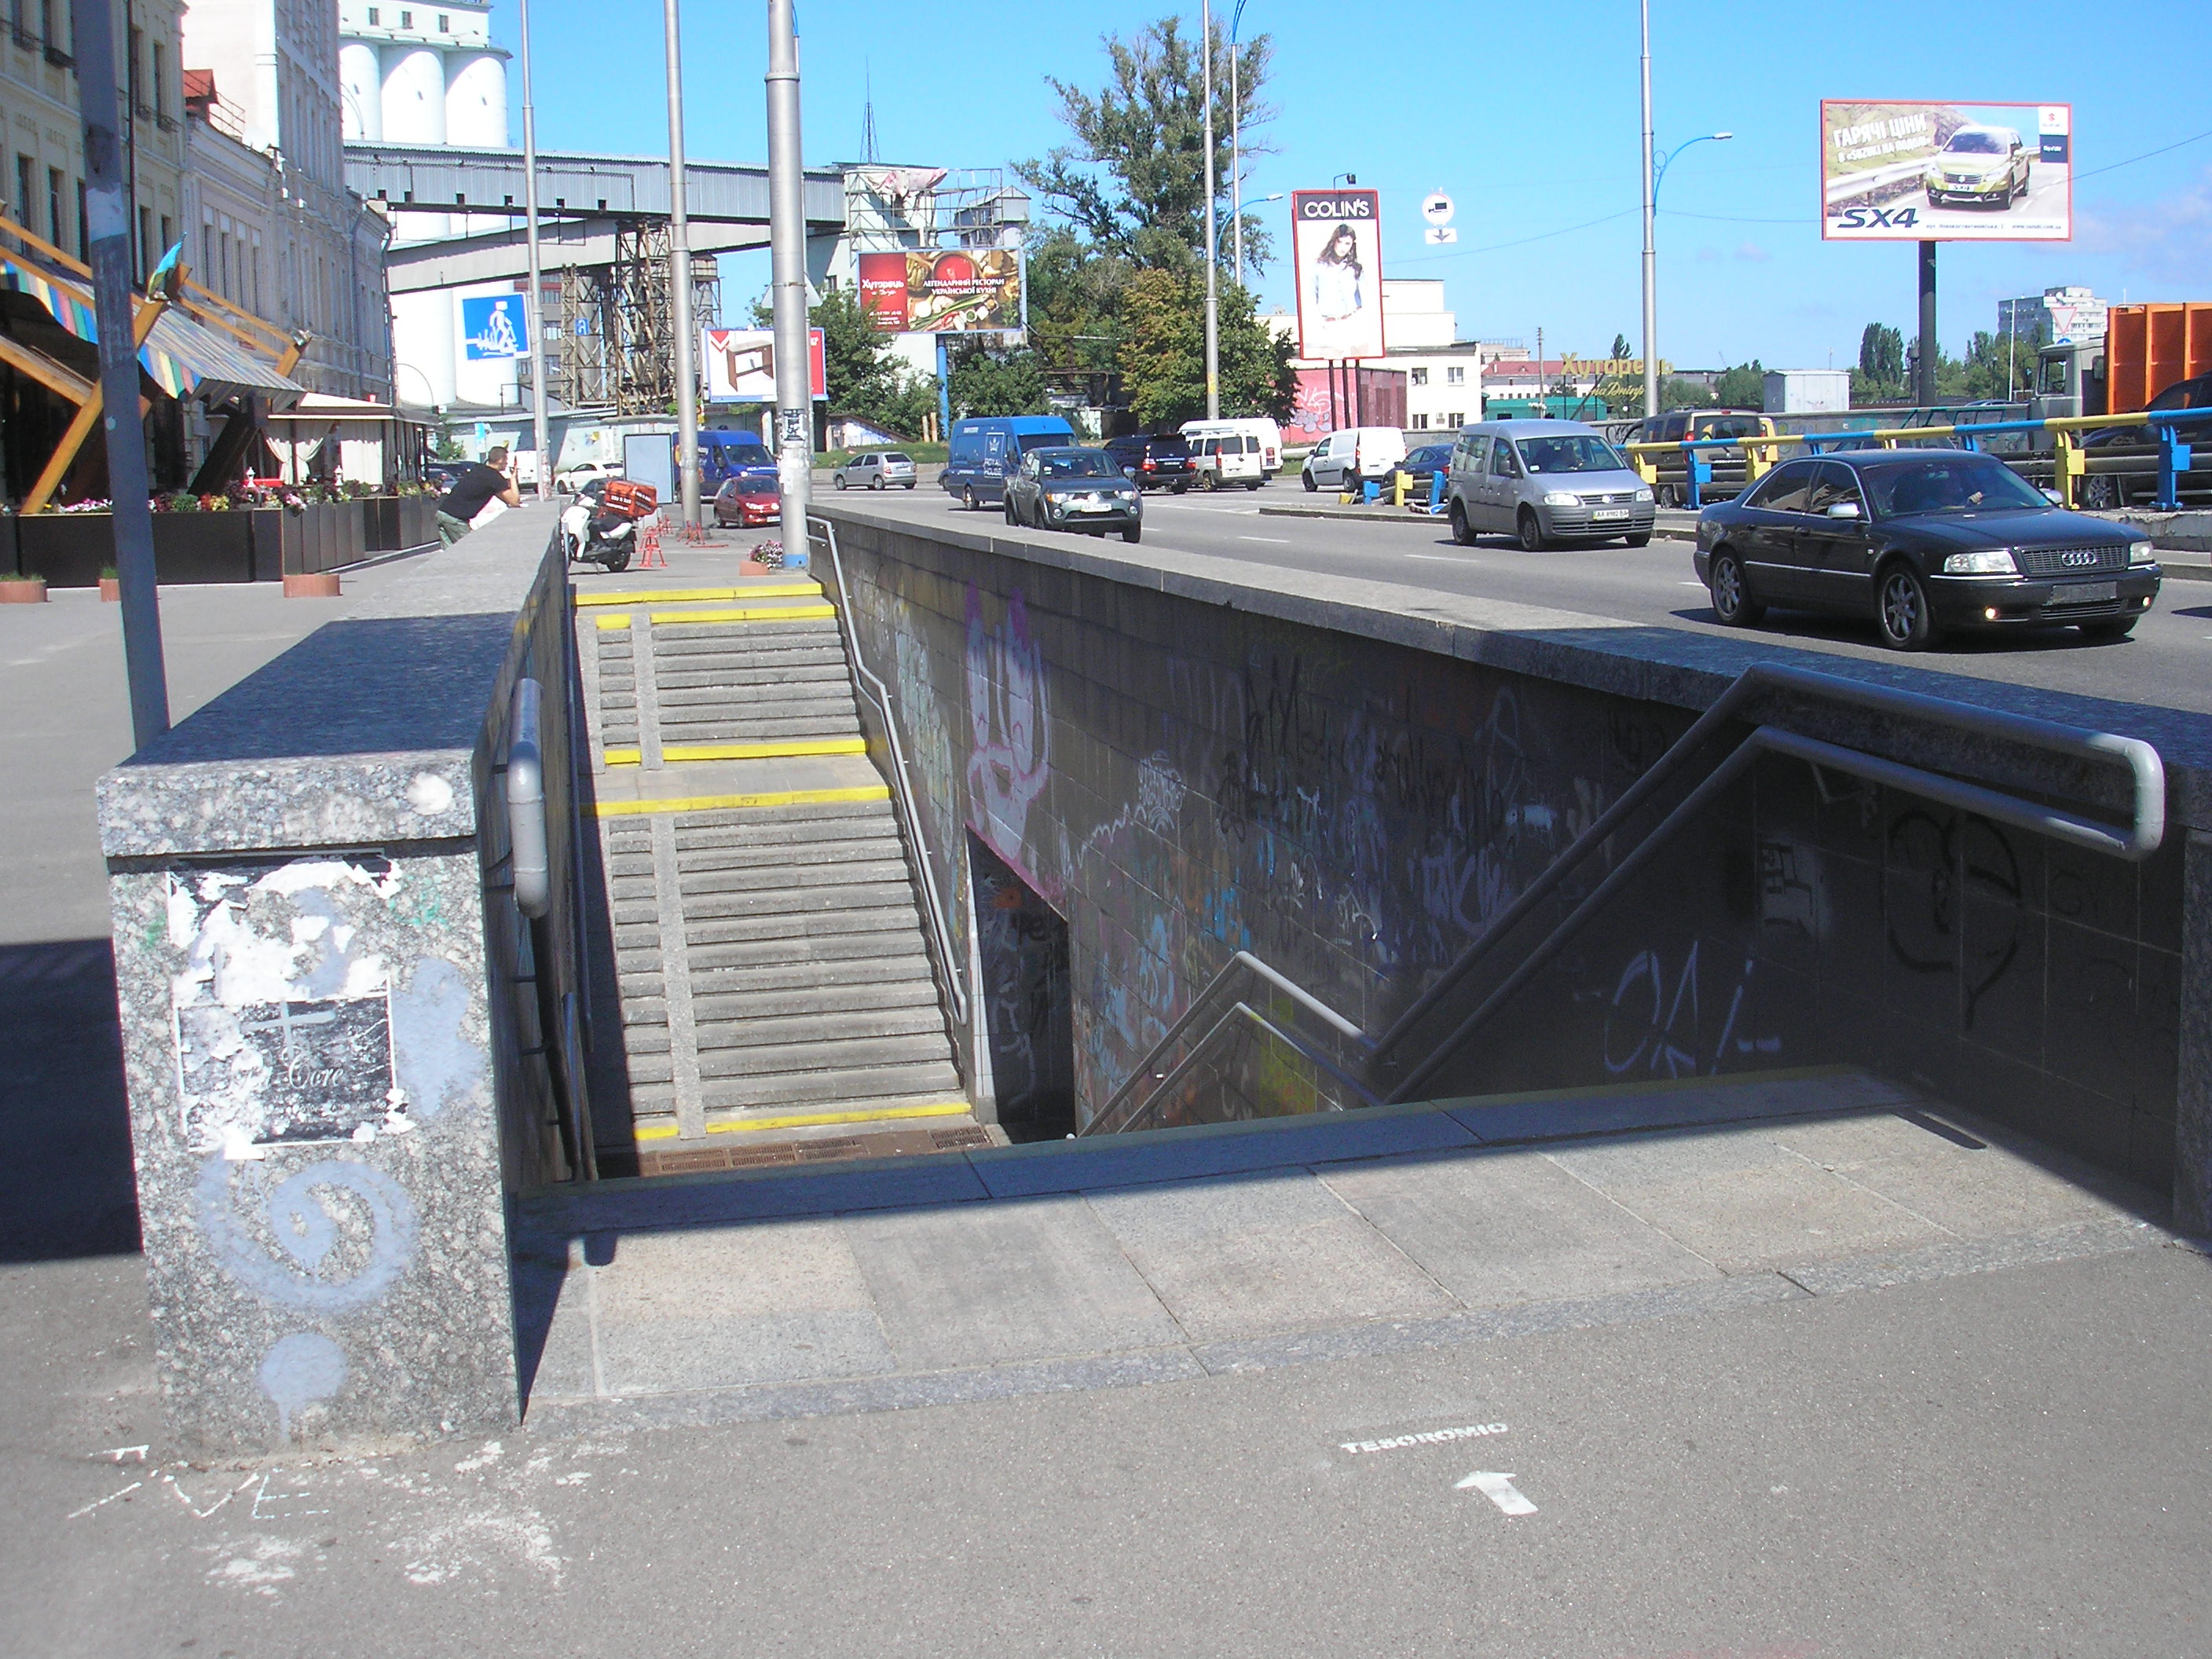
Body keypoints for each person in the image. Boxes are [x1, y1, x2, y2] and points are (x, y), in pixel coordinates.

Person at [437, 447, 522, 545]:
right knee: (469, 549)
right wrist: (513, 478)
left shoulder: (479, 469)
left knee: (450, 554)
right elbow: (514, 501)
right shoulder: (494, 478)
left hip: (442, 512)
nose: (507, 463)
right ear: (500, 460)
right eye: (506, 460)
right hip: (456, 519)